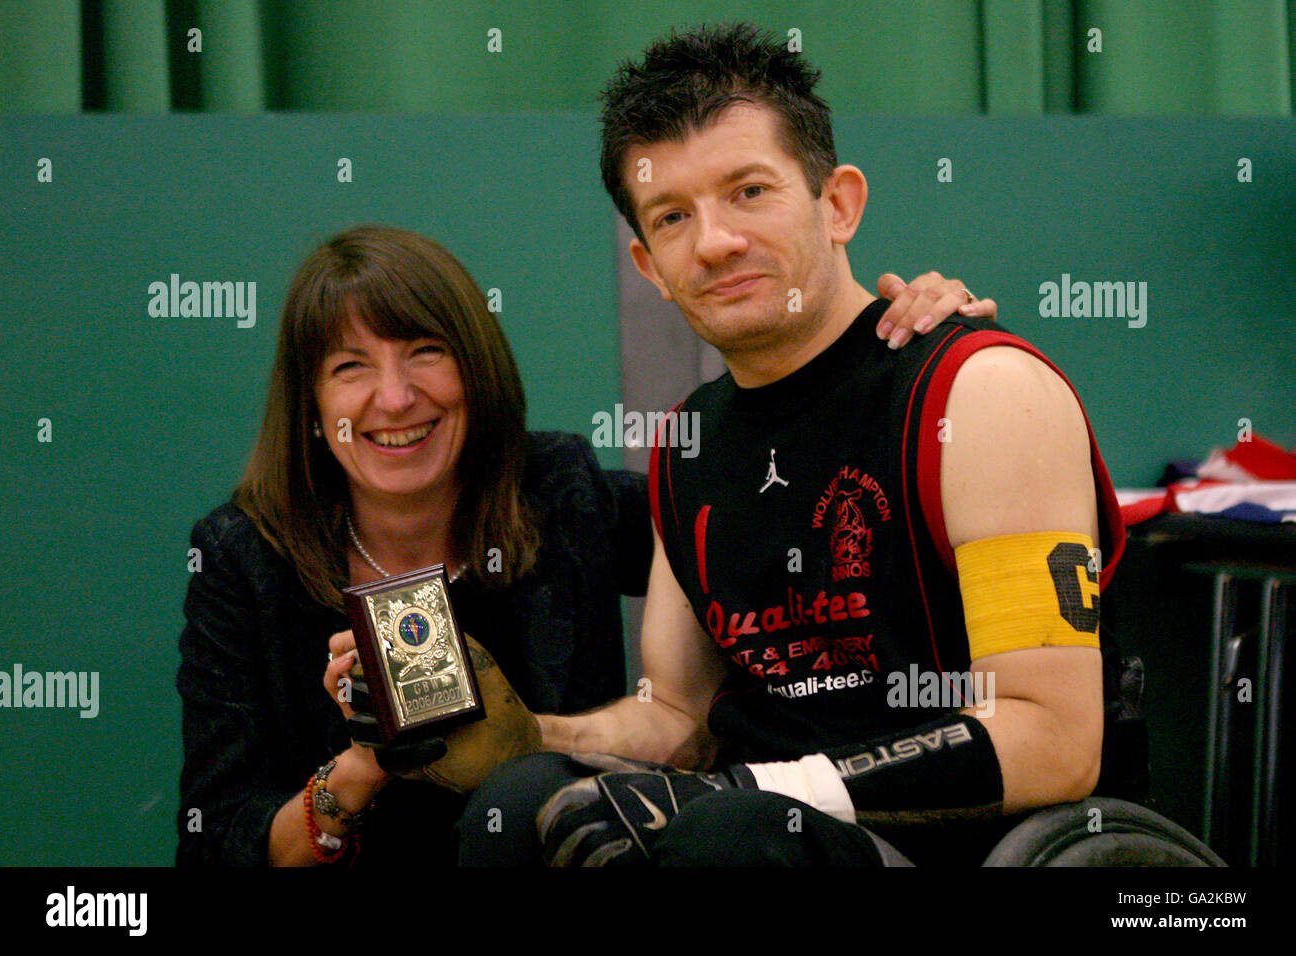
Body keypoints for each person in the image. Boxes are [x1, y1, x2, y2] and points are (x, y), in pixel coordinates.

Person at [456, 23, 1128, 867]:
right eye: (674, 216)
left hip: (951, 841)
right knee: (521, 804)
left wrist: (760, 792)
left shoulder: (983, 394)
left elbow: (1055, 736)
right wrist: (521, 736)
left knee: (732, 839)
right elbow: (674, 720)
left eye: (749, 192)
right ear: (649, 265)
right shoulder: (687, 444)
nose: (715, 242)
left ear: (838, 204)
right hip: (746, 826)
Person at [176, 223, 986, 866]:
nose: (395, 397)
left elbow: (759, 535)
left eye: (425, 351)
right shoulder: (244, 559)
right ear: (312, 407)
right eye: (352, 367)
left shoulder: (556, 491)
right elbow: (217, 840)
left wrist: (891, 343)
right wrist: (363, 768)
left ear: (477, 370)